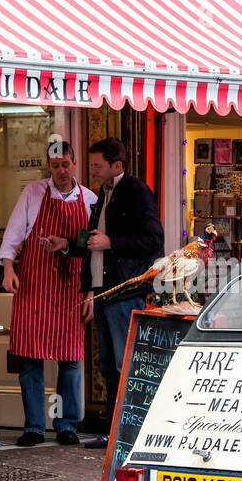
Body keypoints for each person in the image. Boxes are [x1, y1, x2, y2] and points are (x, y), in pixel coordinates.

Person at [63, 137, 163, 449]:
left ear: (116, 166)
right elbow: (93, 240)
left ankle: (128, 433)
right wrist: (66, 245)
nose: (92, 170)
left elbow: (154, 240)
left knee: (123, 365)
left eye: (97, 165)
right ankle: (113, 433)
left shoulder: (135, 191)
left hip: (125, 292)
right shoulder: (104, 194)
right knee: (108, 365)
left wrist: (112, 243)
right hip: (105, 292)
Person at [0, 142, 96, 446]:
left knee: (69, 361)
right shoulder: (33, 194)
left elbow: (92, 252)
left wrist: (91, 291)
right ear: (48, 167)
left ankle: (66, 424)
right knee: (29, 358)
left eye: (66, 164)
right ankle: (34, 427)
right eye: (56, 166)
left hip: (71, 289)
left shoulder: (90, 200)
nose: (61, 171)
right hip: (34, 285)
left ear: (75, 162)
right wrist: (8, 269)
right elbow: (13, 234)